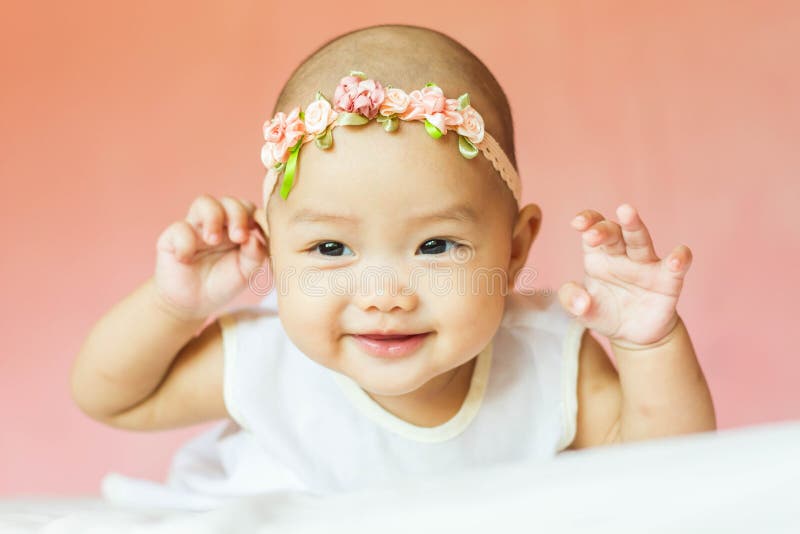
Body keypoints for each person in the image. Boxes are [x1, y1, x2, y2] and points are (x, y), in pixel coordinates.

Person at [71, 24, 716, 510]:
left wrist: (650, 344)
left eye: (435, 246)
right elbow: (111, 398)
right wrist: (173, 305)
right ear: (268, 245)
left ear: (516, 249)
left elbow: (666, 468)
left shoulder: (549, 363)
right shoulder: (269, 360)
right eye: (330, 249)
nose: (382, 295)